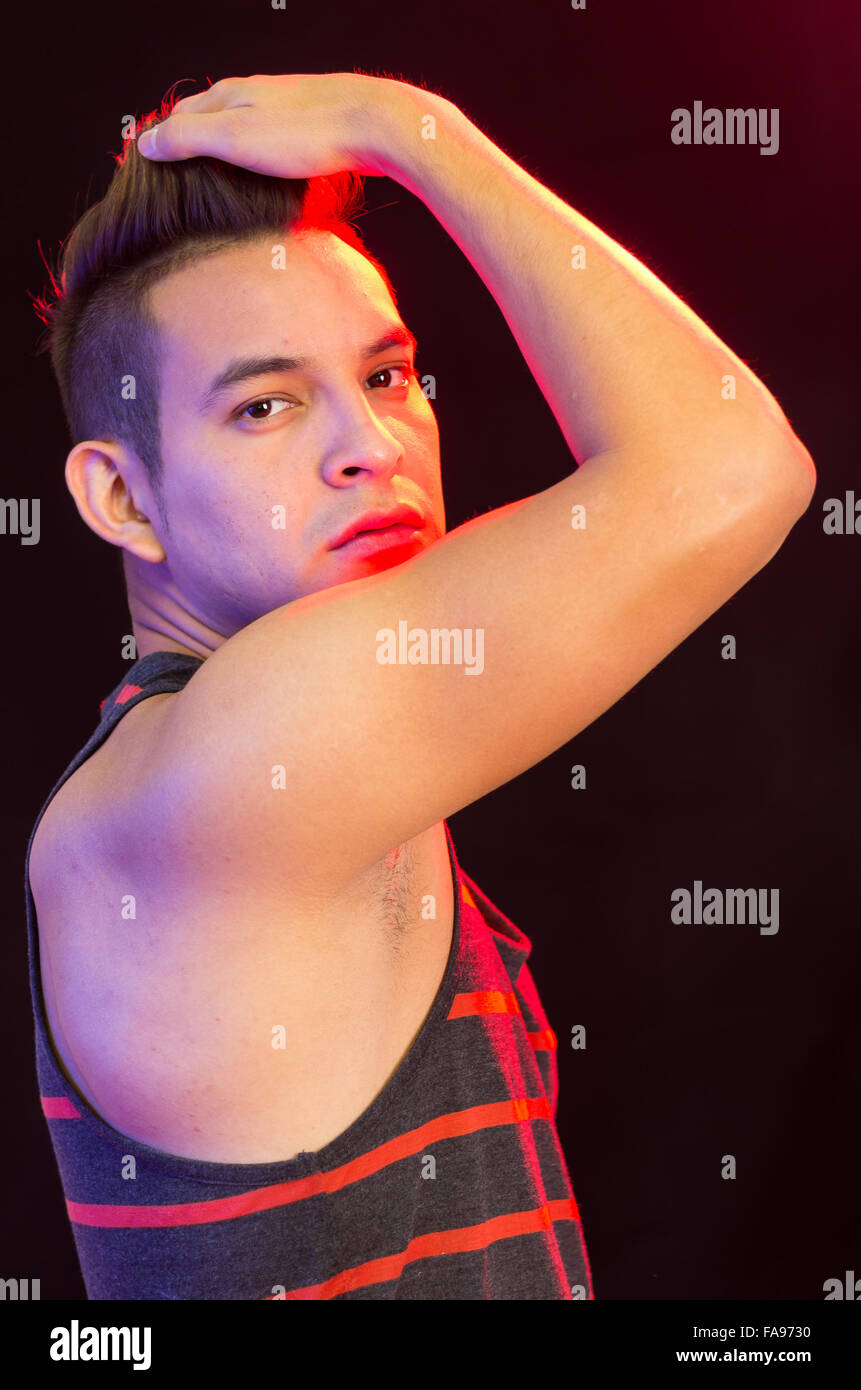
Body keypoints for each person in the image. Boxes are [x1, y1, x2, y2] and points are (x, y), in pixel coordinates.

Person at [25, 72, 815, 1300]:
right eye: (267, 404)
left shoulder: (332, 754)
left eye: (388, 377)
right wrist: (410, 129)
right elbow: (728, 463)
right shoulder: (220, 773)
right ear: (122, 497)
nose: (373, 445)